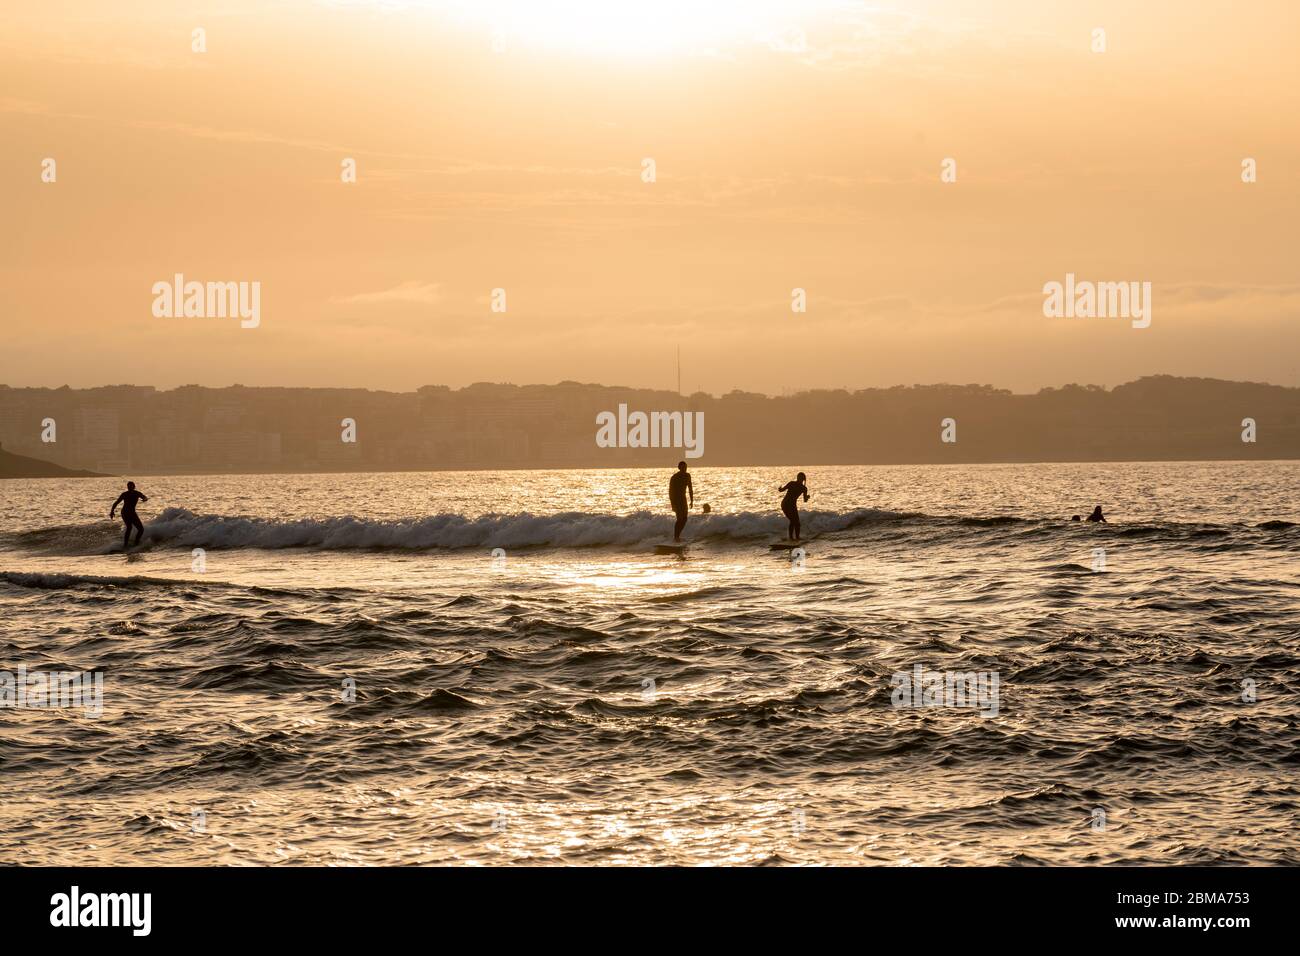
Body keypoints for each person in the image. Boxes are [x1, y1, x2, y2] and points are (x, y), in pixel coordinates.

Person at [110, 481, 149, 549]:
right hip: (125, 512)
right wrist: (112, 511)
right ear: (127, 487)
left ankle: (136, 543)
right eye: (128, 486)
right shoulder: (125, 494)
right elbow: (116, 503)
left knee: (141, 529)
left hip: (132, 512)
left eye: (131, 486)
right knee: (129, 527)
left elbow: (144, 497)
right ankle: (125, 545)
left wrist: (145, 499)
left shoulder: (137, 493)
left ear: (134, 487)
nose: (130, 487)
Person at [779, 472, 809, 541]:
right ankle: (791, 538)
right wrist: (780, 489)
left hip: (792, 505)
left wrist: (807, 497)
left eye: (801, 478)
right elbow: (782, 490)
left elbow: (805, 500)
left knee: (797, 523)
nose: (800, 480)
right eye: (799, 478)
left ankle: (797, 537)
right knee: (793, 521)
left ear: (803, 479)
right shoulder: (791, 483)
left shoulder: (804, 488)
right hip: (785, 504)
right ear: (797, 478)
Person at [668, 461, 694, 542]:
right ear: (679, 468)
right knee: (679, 519)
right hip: (676, 500)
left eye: (685, 467)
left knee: (685, 519)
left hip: (683, 499)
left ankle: (678, 536)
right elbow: (670, 491)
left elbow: (690, 488)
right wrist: (673, 504)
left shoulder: (687, 476)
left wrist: (692, 500)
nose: (684, 469)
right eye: (683, 467)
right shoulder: (674, 477)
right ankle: (676, 537)